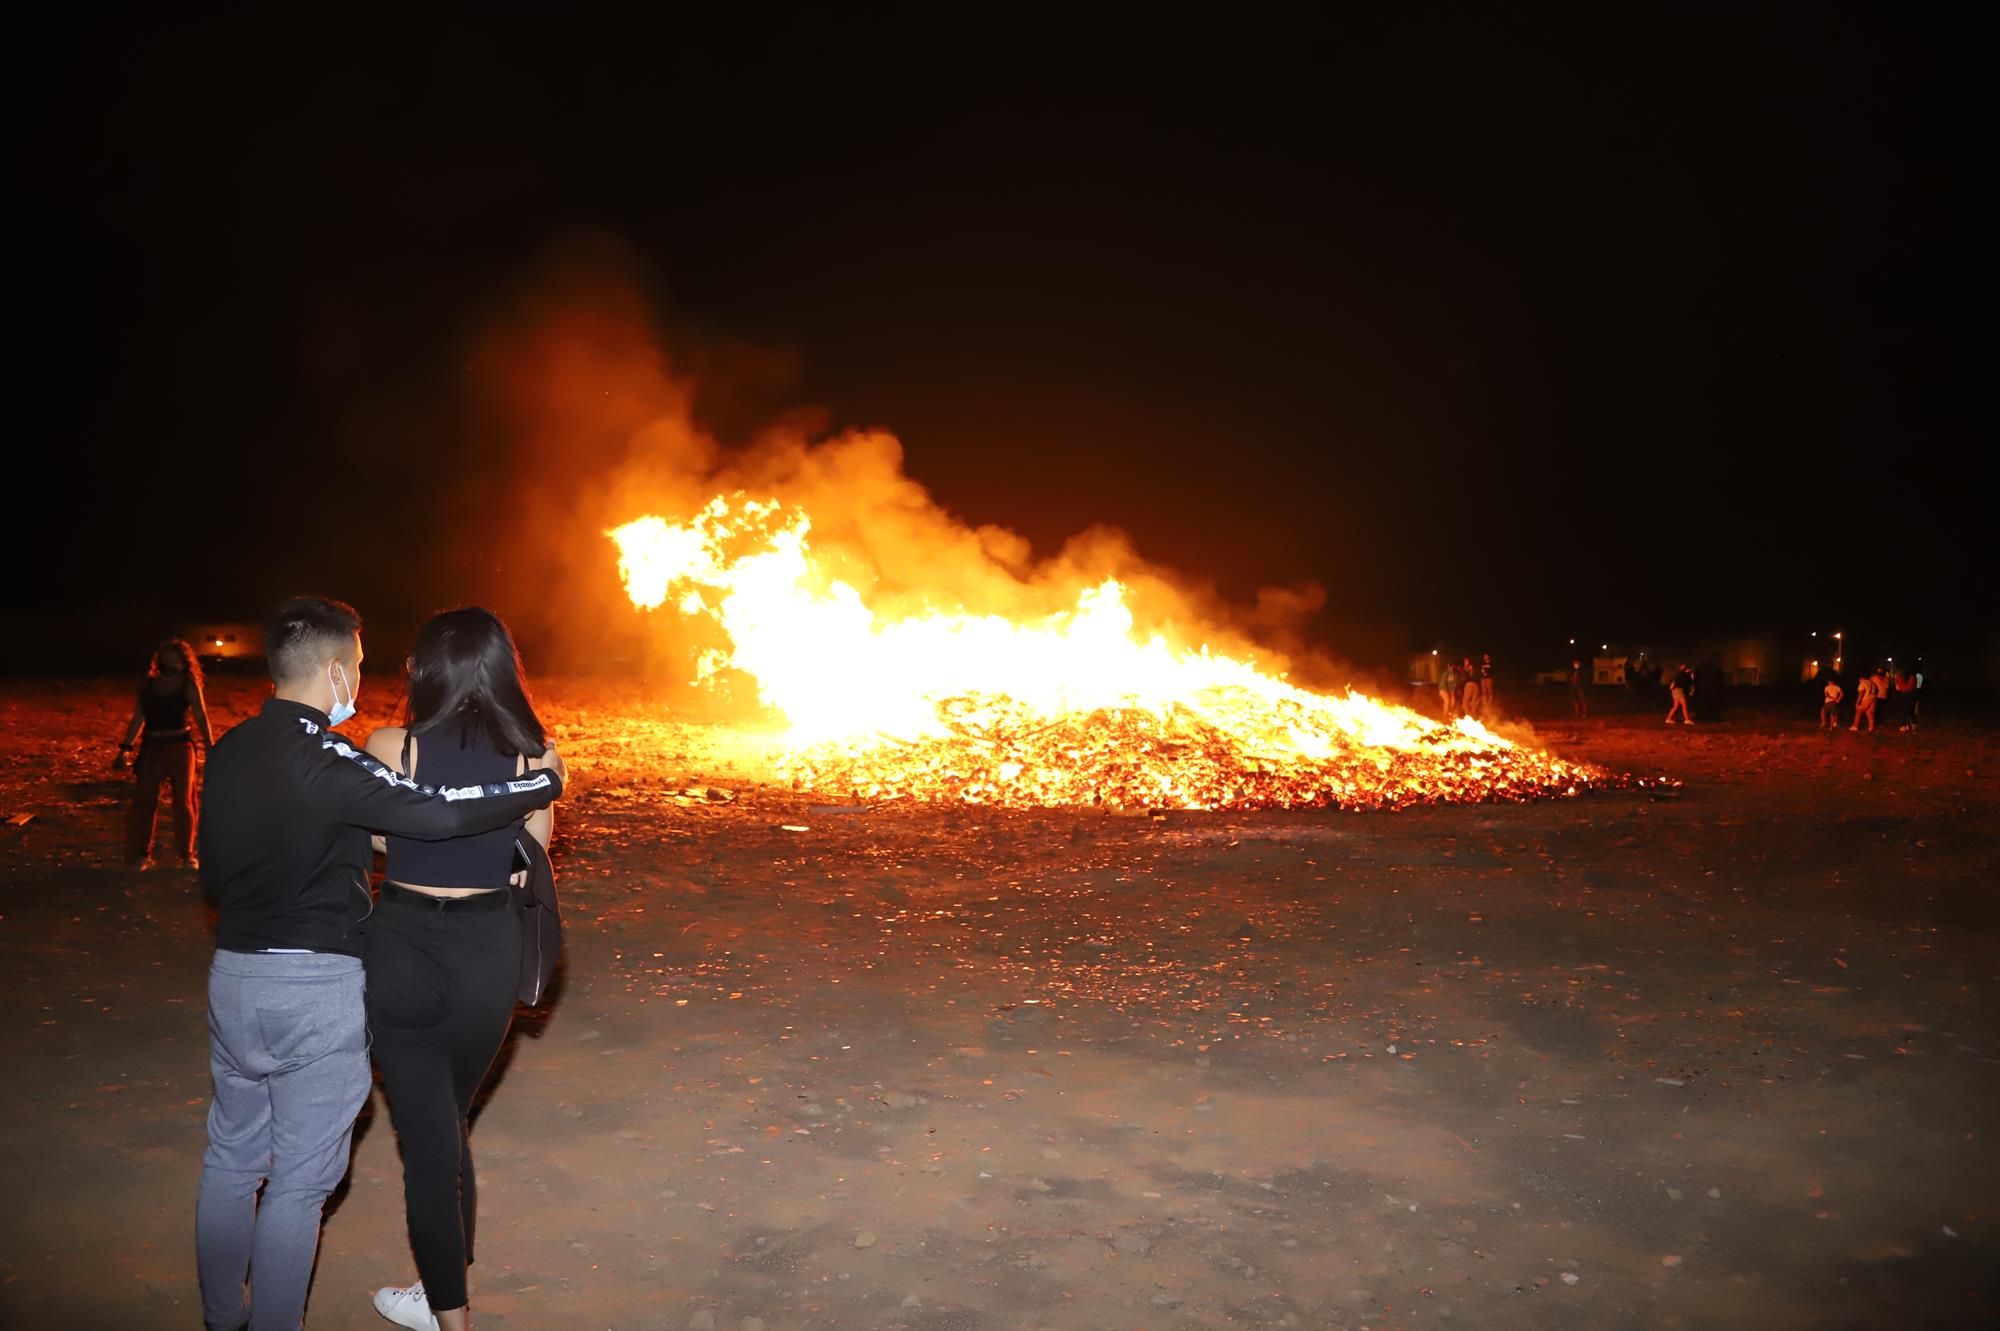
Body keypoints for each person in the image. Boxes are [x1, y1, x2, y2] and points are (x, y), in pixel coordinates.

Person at [195, 597, 565, 1331]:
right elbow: (506, 849)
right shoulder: (531, 756)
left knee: (259, 1156)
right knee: (414, 1138)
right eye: (359, 666)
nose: (364, 678)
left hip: (320, 962)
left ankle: (233, 1313)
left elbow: (383, 835)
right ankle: (432, 1297)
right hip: (449, 959)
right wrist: (538, 784)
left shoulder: (359, 745)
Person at [361, 608, 562, 1331]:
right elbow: (525, 864)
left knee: (428, 1140)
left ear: (428, 669)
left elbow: (380, 841)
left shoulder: (391, 745)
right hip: (486, 950)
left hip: (404, 944)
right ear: (504, 668)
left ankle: (448, 1317)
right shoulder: (536, 757)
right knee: (446, 1117)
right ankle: (440, 1282)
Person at [115, 638, 216, 868]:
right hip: (152, 746)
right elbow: (138, 718)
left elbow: (201, 716)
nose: (167, 662)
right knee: (146, 800)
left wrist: (210, 745)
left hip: (180, 745)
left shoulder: (187, 685)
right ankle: (142, 854)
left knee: (184, 801)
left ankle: (187, 854)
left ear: (183, 662)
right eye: (164, 658)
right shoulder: (149, 686)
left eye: (173, 658)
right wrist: (125, 748)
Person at [1478, 652, 1496, 717]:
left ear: (1488, 656)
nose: (1485, 657)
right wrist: (1483, 672)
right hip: (1483, 678)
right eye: (1484, 656)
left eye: (1486, 656)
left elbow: (1493, 670)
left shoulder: (1491, 663)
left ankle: (1489, 702)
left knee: (1489, 691)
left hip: (1489, 678)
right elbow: (1480, 669)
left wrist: (1488, 673)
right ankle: (1485, 703)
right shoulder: (1482, 663)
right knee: (1484, 691)